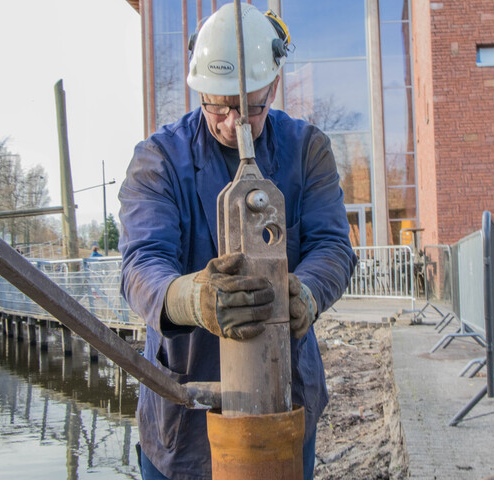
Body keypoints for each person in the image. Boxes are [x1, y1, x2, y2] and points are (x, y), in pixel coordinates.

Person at [117, 4, 356, 480]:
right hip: (184, 415)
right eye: (218, 107)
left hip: (284, 401)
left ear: (273, 86)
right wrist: (192, 299)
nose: (233, 123)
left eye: (250, 108)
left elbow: (332, 246)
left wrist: (305, 294)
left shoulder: (307, 150)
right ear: (200, 91)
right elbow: (142, 264)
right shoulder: (158, 160)